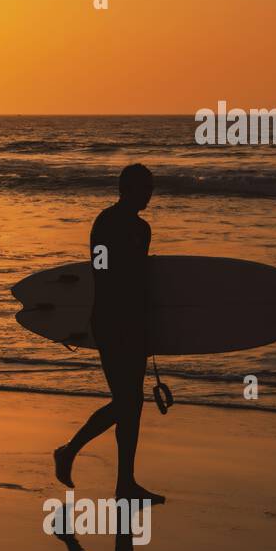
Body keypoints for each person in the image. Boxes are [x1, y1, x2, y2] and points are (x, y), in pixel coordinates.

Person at [53, 164, 166, 503]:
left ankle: (125, 484)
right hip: (110, 320)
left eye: (150, 187)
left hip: (134, 323)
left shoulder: (143, 229)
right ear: (125, 189)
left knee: (133, 405)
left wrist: (148, 323)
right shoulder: (106, 223)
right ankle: (69, 450)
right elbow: (100, 270)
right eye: (143, 188)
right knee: (127, 401)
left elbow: (142, 279)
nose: (148, 194)